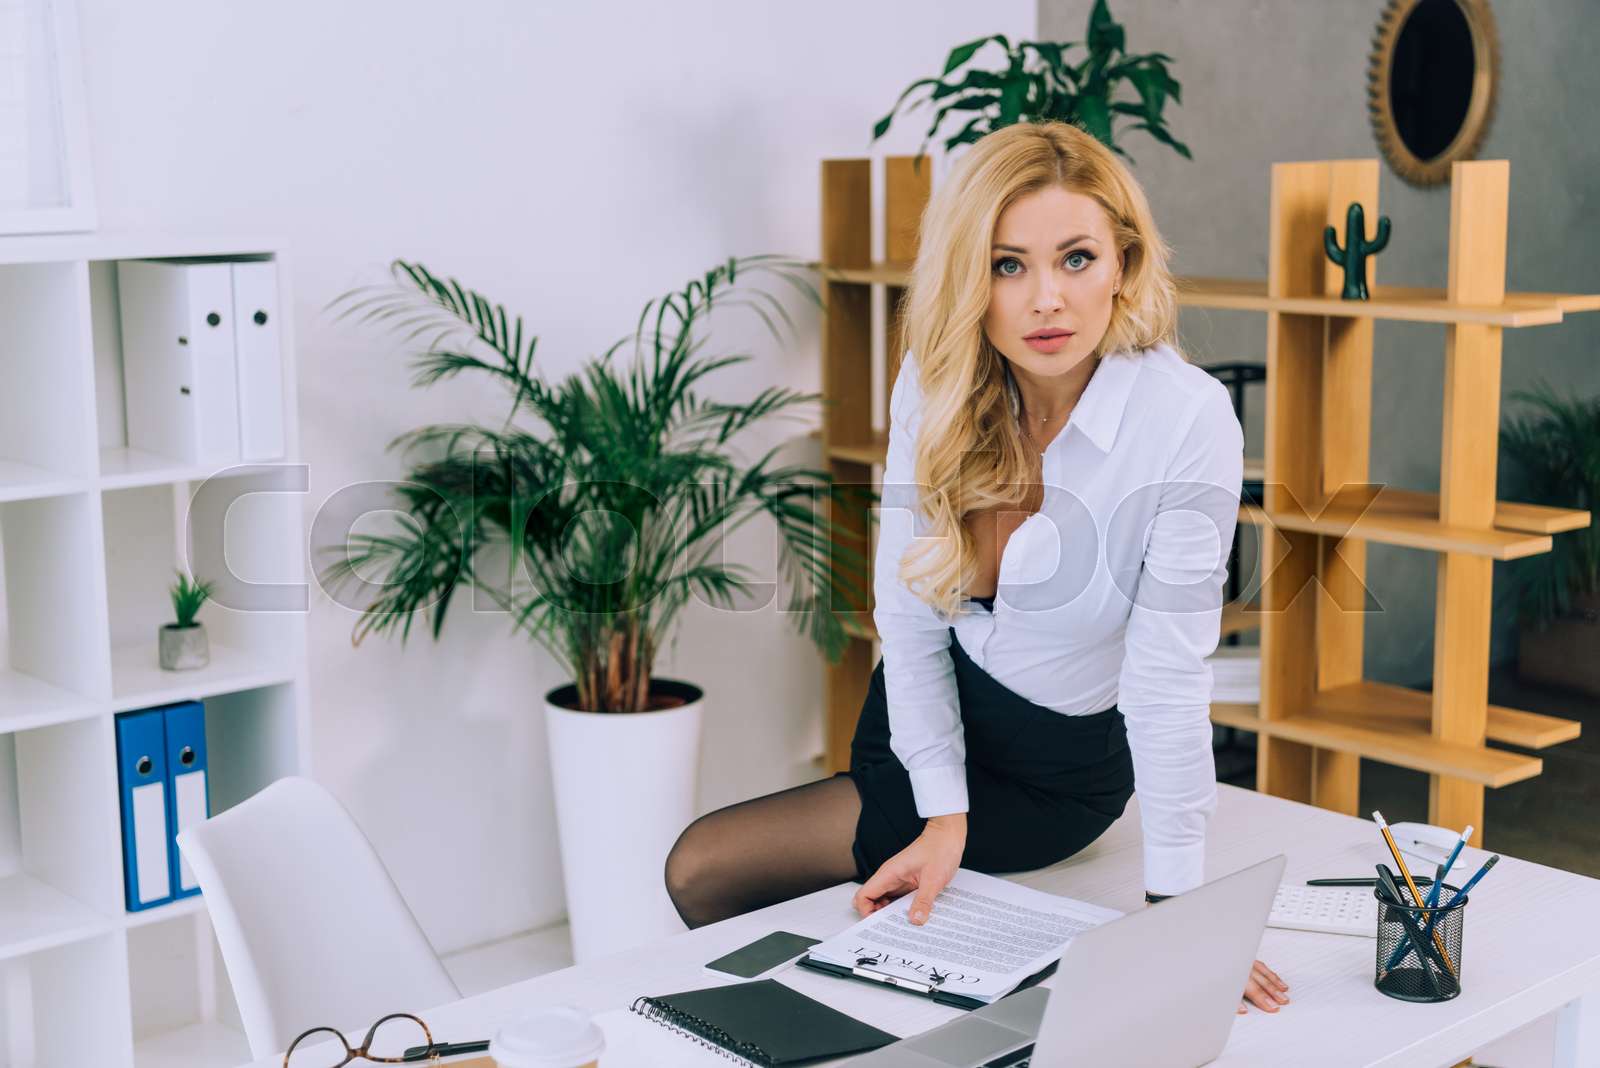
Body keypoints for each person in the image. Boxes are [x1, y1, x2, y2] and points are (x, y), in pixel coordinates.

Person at [664, 120, 1289, 1014]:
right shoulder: (938, 380)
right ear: (971, 276)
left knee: (707, 868)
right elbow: (907, 617)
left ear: (1123, 261)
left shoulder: (1184, 419)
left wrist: (1180, 914)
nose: (1046, 300)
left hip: (1051, 775)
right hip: (916, 723)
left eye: (1076, 259)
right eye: (1008, 265)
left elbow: (1165, 678)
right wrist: (942, 815)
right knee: (795, 919)